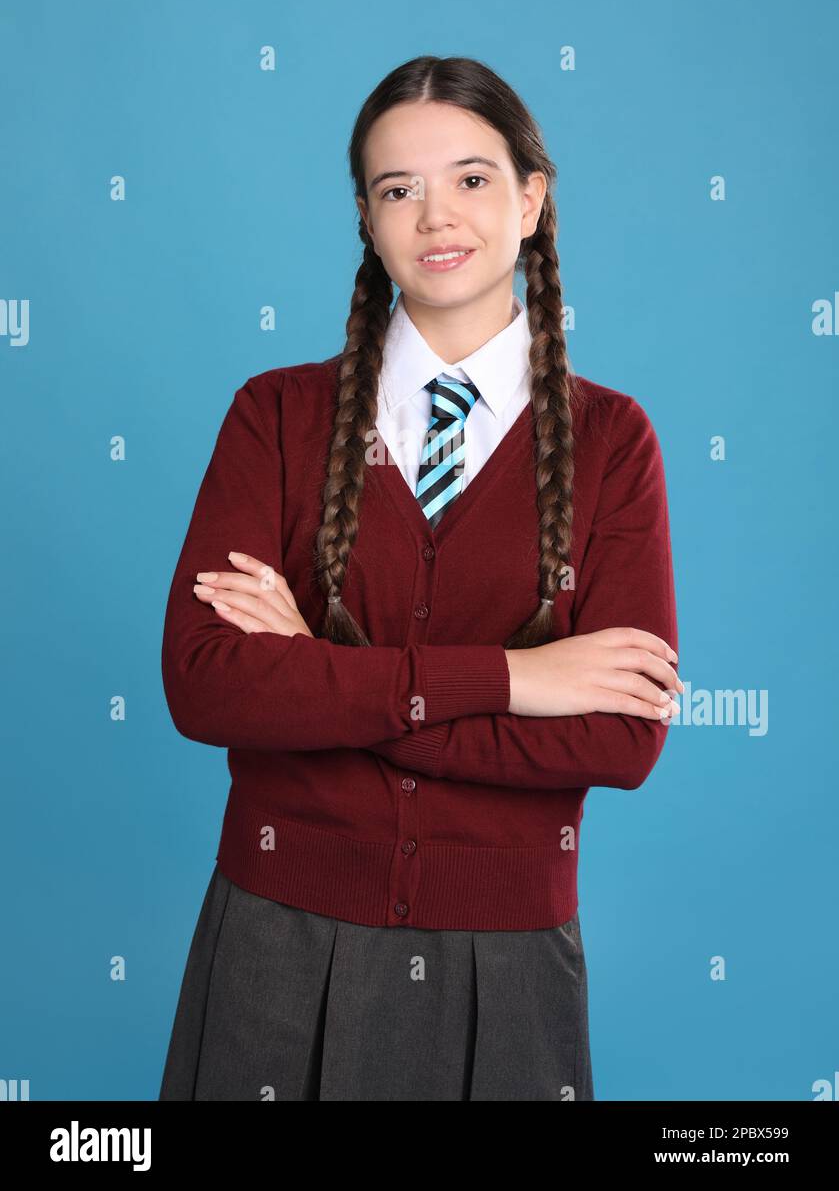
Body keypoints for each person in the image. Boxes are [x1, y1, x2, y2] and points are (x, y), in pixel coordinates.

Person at [157, 54, 681, 1102]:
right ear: (365, 216)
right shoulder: (274, 415)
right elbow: (208, 685)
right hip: (277, 941)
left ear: (532, 199)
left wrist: (314, 673)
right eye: (398, 189)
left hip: (508, 964)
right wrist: (512, 678)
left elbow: (619, 737)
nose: (435, 215)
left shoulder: (612, 440)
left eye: (472, 179)